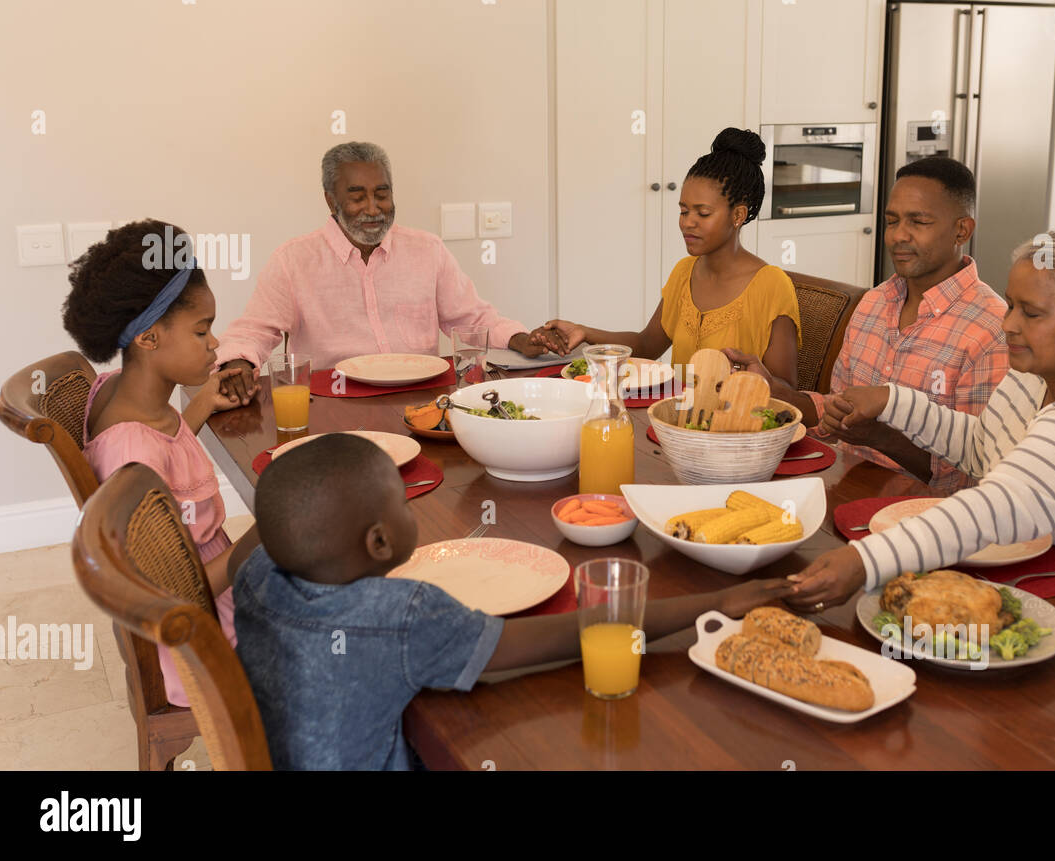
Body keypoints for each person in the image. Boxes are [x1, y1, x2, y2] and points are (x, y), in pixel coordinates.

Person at [232, 433, 793, 770]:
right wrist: (719, 601)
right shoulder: (403, 617)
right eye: (403, 506)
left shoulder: (257, 573)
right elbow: (580, 631)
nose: (411, 514)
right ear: (378, 542)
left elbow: (253, 542)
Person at [786, 228, 1055, 611]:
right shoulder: (1034, 376)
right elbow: (981, 449)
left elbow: (995, 508)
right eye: (1010, 305)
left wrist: (866, 561)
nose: (1007, 323)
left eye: (1030, 313)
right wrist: (891, 401)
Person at [62, 219, 262, 707]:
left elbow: (158, 466)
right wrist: (267, 532)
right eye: (202, 330)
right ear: (149, 338)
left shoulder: (119, 392)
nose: (215, 344)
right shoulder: (131, 454)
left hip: (211, 600)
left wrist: (199, 406)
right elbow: (178, 598)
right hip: (203, 638)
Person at [725, 156, 1008, 495]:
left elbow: (975, 476)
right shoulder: (875, 302)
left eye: (918, 222)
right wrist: (771, 390)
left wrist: (880, 438)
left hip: (924, 517)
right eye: (892, 221)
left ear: (962, 230)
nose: (899, 236)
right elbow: (834, 409)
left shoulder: (992, 329)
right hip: (842, 485)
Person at [214, 141, 549, 403]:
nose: (373, 209)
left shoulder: (427, 250)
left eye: (382, 194)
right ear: (332, 202)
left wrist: (520, 338)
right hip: (334, 404)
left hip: (422, 401)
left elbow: (474, 320)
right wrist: (238, 363)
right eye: (357, 197)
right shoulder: (293, 260)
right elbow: (253, 331)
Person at [531, 128, 801, 384]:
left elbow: (786, 389)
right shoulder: (685, 272)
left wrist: (751, 381)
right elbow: (647, 345)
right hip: (675, 420)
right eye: (684, 211)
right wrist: (585, 332)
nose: (688, 223)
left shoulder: (772, 286)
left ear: (738, 215)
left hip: (735, 428)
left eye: (702, 213)